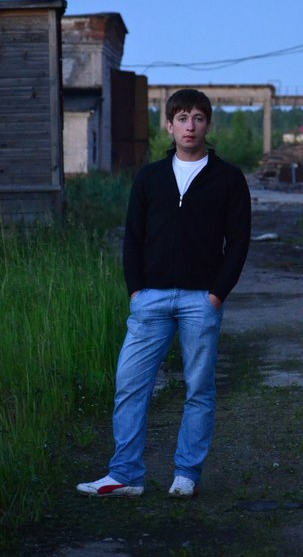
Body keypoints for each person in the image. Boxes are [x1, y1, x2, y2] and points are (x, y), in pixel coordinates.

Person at [77, 88, 251, 498]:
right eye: (182, 118)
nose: (190, 126)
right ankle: (125, 475)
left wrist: (216, 294)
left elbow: (238, 242)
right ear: (169, 125)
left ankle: (186, 474)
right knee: (130, 385)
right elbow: (132, 238)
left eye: (198, 118)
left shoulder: (228, 178)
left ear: (208, 124)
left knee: (199, 389)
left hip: (200, 300)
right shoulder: (150, 177)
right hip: (150, 299)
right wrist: (136, 290)